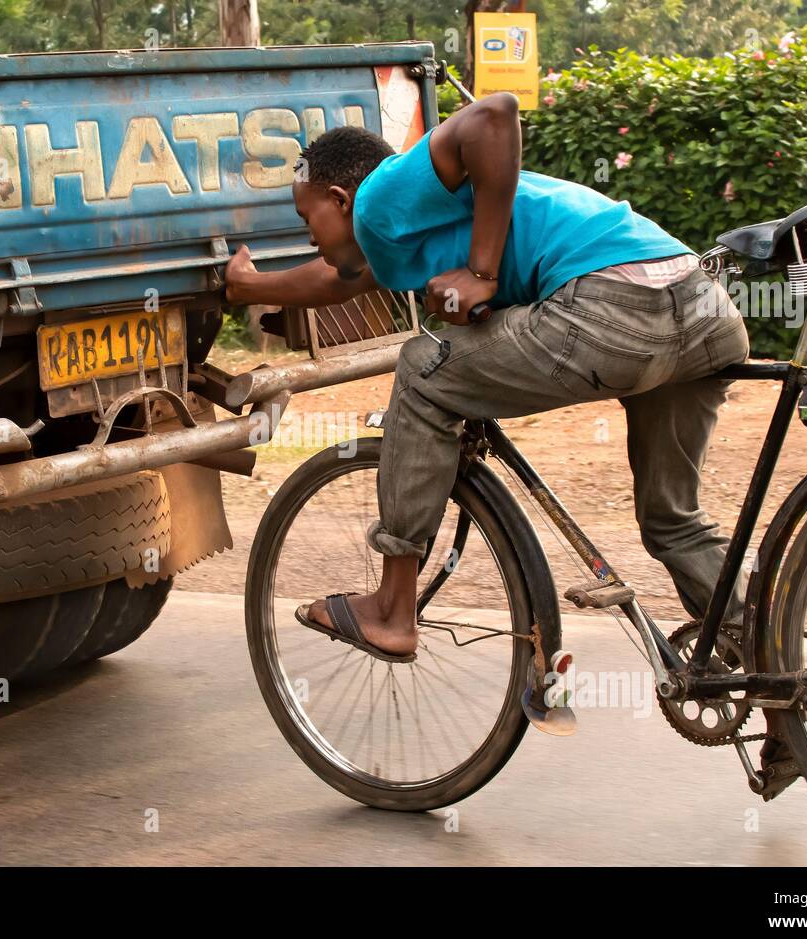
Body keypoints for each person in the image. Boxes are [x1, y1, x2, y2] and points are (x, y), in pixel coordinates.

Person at [225, 92, 749, 663]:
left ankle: (393, 610)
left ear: (340, 198)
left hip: (616, 310)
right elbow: (337, 279)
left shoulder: (378, 198)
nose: (308, 237)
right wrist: (251, 286)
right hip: (701, 311)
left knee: (424, 368)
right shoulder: (404, 229)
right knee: (673, 521)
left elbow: (493, 113)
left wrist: (482, 272)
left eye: (307, 219)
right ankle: (775, 684)